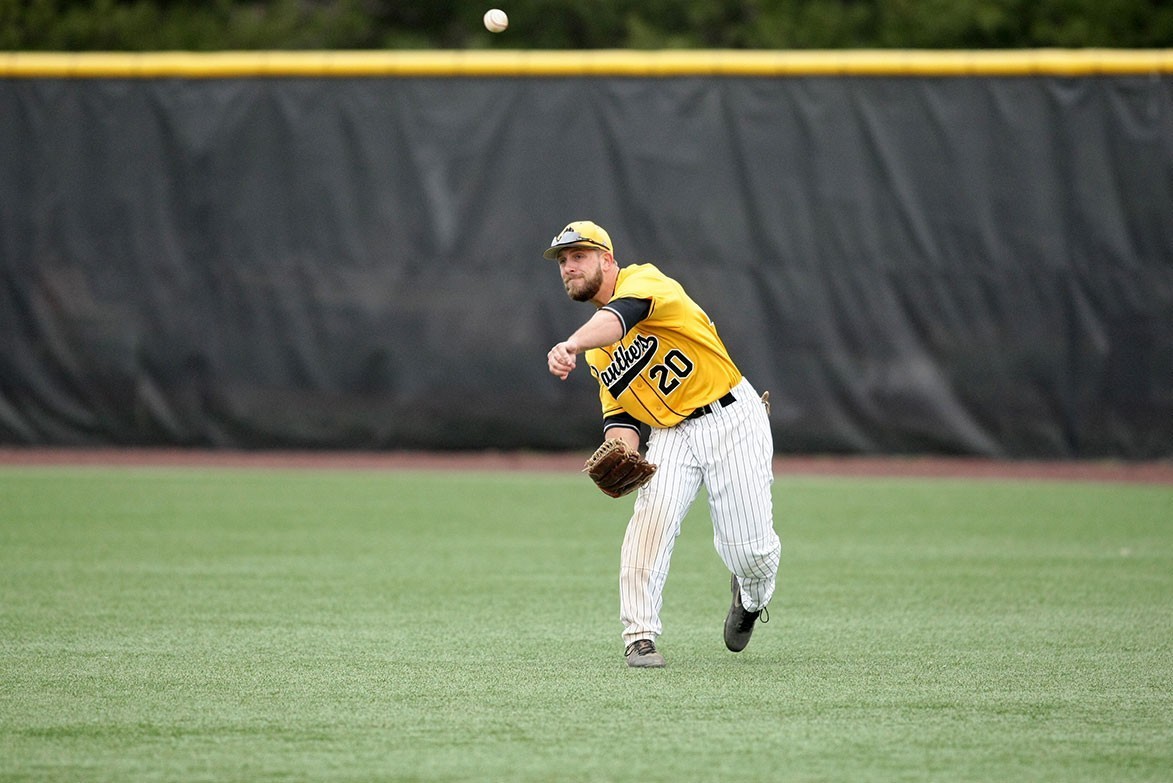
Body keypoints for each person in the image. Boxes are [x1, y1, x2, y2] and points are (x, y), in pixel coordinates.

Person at [543, 220, 782, 668]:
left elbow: (619, 319)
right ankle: (639, 636)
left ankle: (750, 596)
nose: (568, 267)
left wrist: (569, 344)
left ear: (607, 259)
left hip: (730, 415)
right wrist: (624, 451)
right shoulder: (598, 354)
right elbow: (622, 416)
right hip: (672, 434)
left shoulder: (643, 281)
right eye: (562, 260)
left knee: (748, 551)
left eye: (579, 256)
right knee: (648, 526)